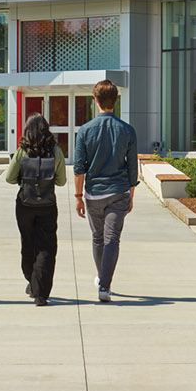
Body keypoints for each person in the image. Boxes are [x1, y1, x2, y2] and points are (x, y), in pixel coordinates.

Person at [70, 79, 137, 303]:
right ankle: (104, 284)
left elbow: (79, 169)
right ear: (115, 101)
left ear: (95, 100)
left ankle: (103, 280)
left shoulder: (86, 130)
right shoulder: (127, 130)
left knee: (98, 238)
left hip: (94, 193)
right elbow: (132, 168)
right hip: (119, 192)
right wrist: (131, 196)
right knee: (112, 240)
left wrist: (78, 197)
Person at [5, 114, 66, 306]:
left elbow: (9, 177)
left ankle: (31, 280)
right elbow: (62, 181)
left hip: (25, 204)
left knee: (28, 243)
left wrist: (22, 181)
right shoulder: (55, 151)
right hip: (47, 205)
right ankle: (41, 293)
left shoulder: (22, 152)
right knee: (46, 247)